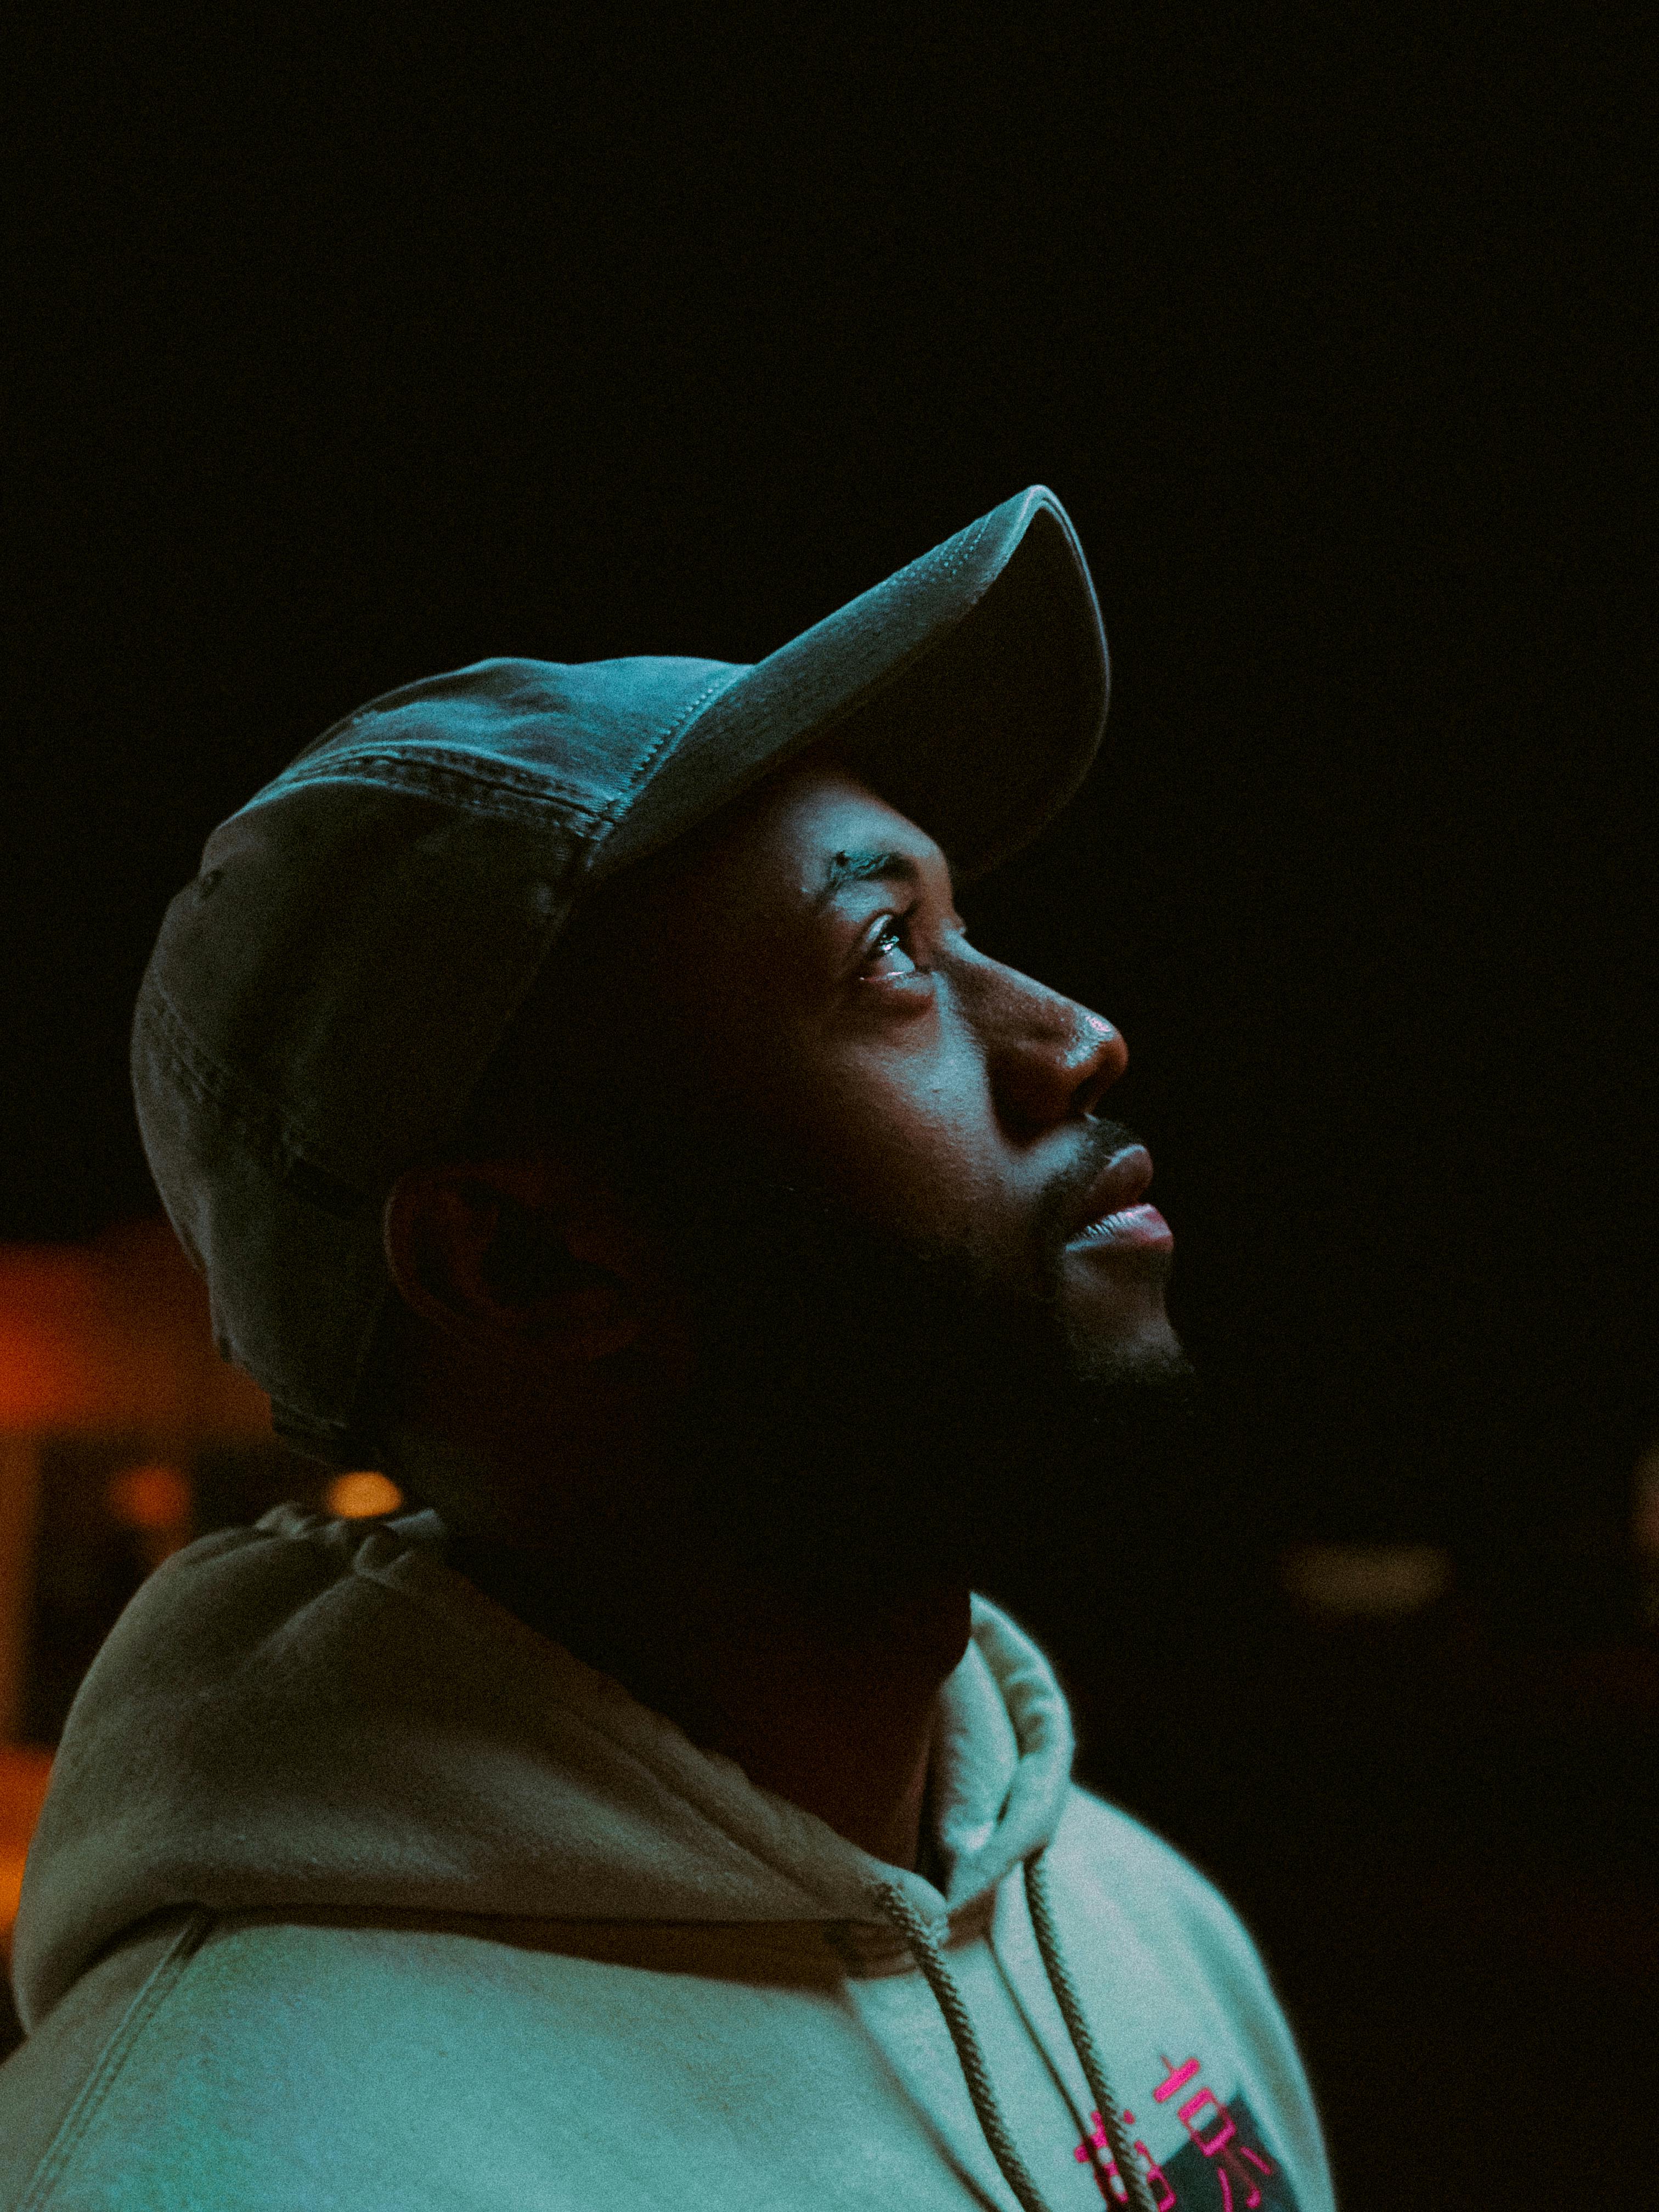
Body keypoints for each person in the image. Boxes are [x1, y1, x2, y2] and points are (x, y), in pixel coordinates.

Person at [0, 488, 1334, 2211]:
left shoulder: (1139, 1924)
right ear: (524, 1255)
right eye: (889, 958)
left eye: (970, 924)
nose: (1075, 1037)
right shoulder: (222, 2158)